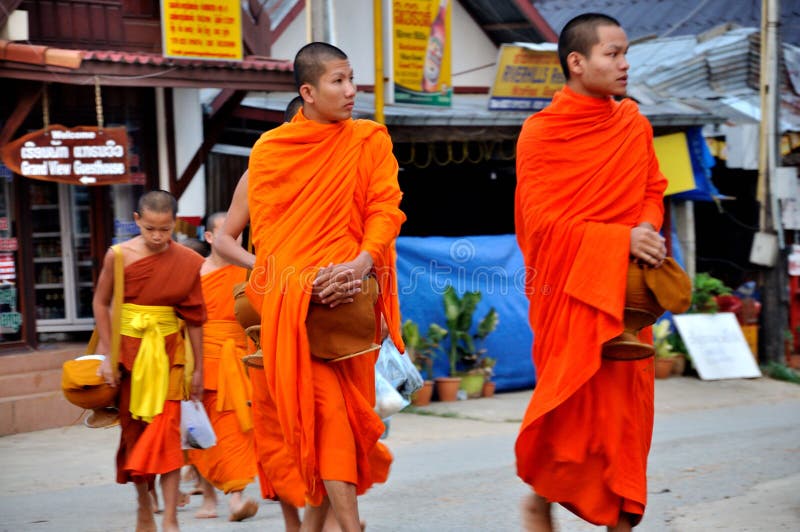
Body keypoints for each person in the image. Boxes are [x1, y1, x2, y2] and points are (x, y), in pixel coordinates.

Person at [235, 42, 405, 532]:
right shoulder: (271, 151)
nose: (352, 91)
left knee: (348, 424)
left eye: (353, 79)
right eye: (338, 81)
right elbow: (269, 241)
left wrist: (358, 264)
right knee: (329, 417)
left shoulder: (370, 140)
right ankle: (351, 527)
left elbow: (385, 209)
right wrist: (309, 281)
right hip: (295, 308)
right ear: (307, 92)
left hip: (352, 303)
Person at [514, 13, 668, 532]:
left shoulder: (633, 123)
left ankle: (620, 519)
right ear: (577, 62)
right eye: (613, 54)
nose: (625, 65)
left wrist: (644, 231)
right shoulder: (541, 134)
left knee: (624, 425)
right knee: (570, 415)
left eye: (626, 53)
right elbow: (540, 223)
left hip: (624, 296)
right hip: (572, 296)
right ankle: (541, 498)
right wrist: (619, 238)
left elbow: (652, 188)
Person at [93, 190, 206, 532]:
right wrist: (107, 356)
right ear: (137, 220)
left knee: (168, 435)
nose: (158, 237)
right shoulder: (118, 256)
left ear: (175, 223)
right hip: (129, 356)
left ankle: (170, 520)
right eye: (151, 229)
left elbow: (195, 317)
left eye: (166, 229)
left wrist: (199, 367)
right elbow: (101, 303)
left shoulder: (189, 260)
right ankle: (145, 502)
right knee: (135, 434)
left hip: (171, 356)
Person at [186, 212, 259, 522]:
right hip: (201, 357)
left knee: (236, 428)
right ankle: (209, 499)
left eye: (239, 234)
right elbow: (186, 321)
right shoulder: (194, 274)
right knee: (200, 429)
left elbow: (258, 317)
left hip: (239, 358)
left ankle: (237, 497)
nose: (235, 240)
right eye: (227, 233)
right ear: (209, 237)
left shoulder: (248, 271)